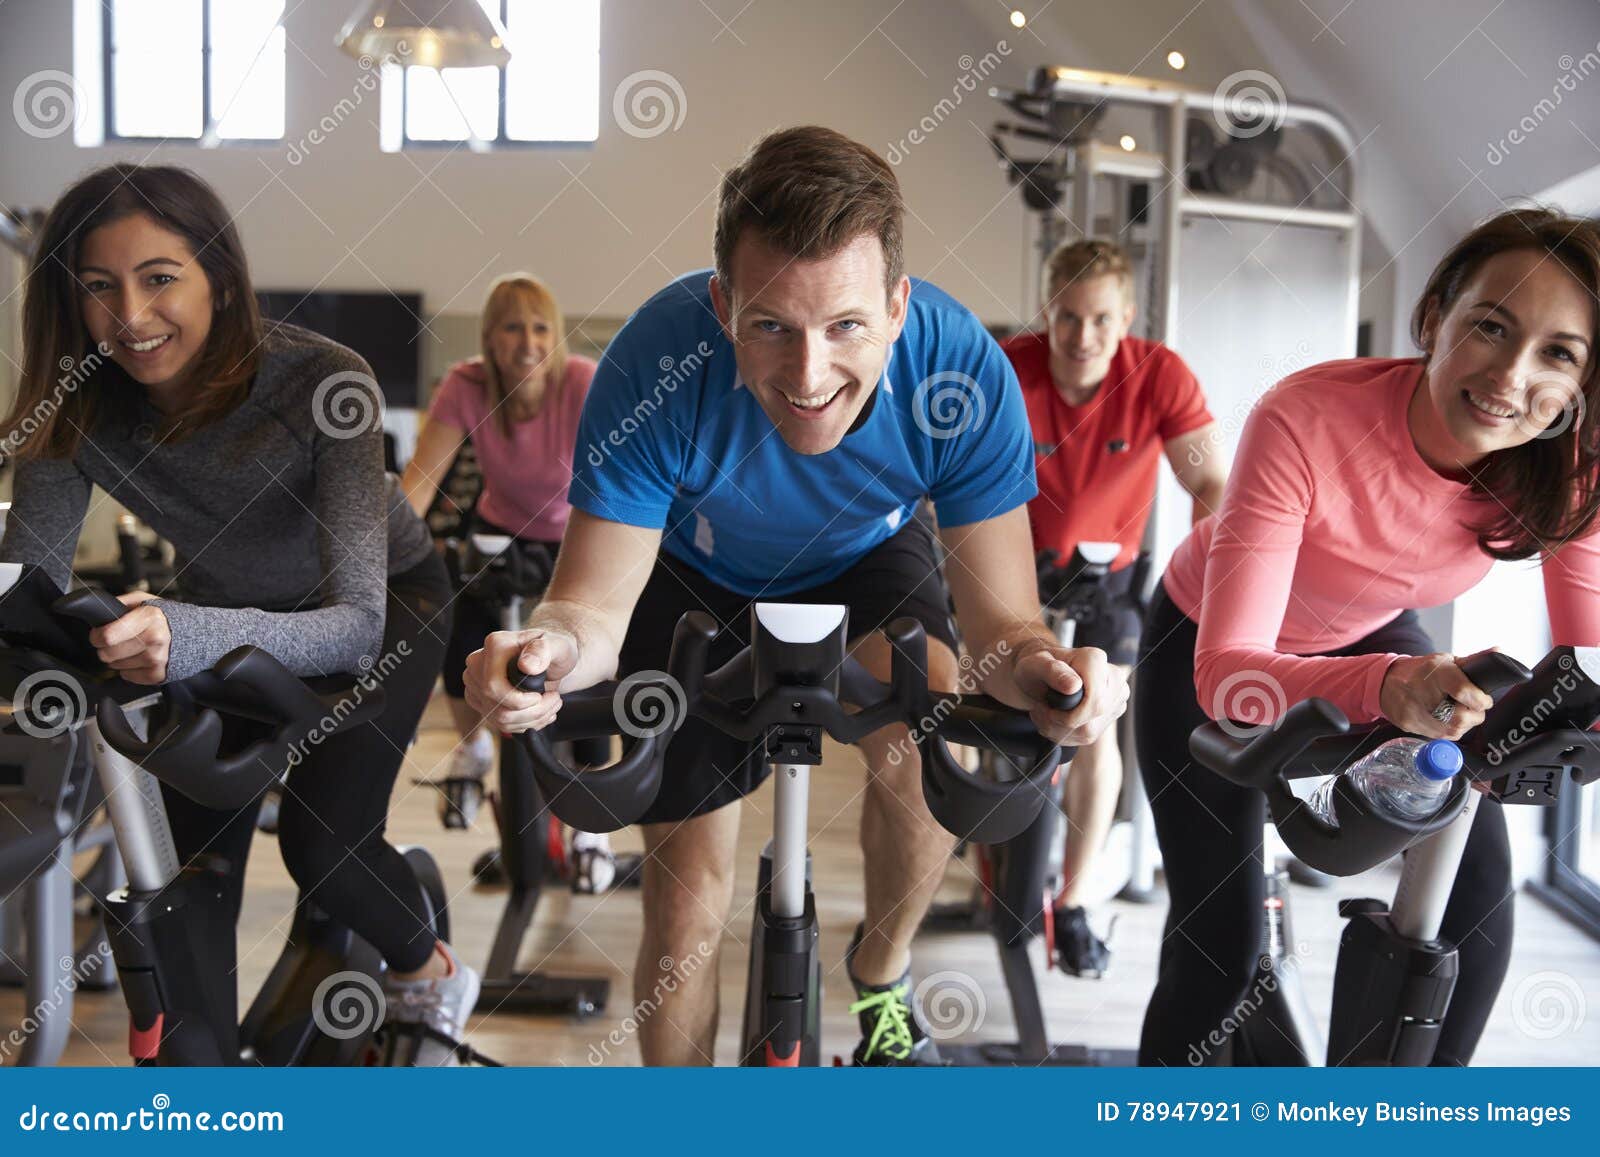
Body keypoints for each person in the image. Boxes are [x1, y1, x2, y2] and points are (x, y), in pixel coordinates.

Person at [464, 125, 1128, 1066]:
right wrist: (541, 659)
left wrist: (1051, 673)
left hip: (867, 554)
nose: (810, 375)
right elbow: (592, 612)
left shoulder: (961, 371)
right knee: (687, 889)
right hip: (698, 571)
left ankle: (882, 969)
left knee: (932, 729)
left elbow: (1004, 629)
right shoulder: (658, 363)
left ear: (898, 307)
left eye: (847, 326)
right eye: (771, 326)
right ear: (722, 305)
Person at [0, 163, 479, 1064]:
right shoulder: (76, 405)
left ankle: (430, 968)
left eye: (159, 278)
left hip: (390, 603)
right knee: (191, 871)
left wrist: (183, 636)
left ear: (218, 274)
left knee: (324, 842)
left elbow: (354, 625)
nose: (131, 317)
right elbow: (30, 587)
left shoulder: (324, 380)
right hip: (220, 609)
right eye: (98, 287)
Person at [1133, 207, 1600, 1066]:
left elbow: (1587, 664)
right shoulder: (1308, 418)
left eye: (1559, 353)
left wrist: (1550, 728)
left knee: (1478, 904)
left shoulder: (1569, 461)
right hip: (1210, 646)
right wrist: (1389, 686)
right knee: (1220, 950)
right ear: (1435, 319)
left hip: (1378, 641)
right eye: (1489, 327)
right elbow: (1227, 678)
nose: (1512, 376)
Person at [1002, 238, 1225, 977]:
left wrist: (1222, 583)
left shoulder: (1157, 373)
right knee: (992, 722)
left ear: (1125, 317)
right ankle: (995, 870)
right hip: (1013, 573)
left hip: (1112, 580)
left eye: (1100, 319)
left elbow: (1212, 486)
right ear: (1047, 309)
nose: (1082, 337)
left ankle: (1073, 900)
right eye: (1067, 316)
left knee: (1097, 729)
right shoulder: (1011, 366)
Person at [400, 275, 616, 888]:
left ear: (557, 336)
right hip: (499, 534)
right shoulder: (466, 386)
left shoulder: (580, 381)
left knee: (581, 675)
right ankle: (473, 752)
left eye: (540, 327)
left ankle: (591, 832)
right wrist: (375, 550)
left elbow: (612, 475)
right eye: (512, 328)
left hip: (574, 534)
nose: (527, 342)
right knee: (456, 626)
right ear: (489, 338)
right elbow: (420, 482)